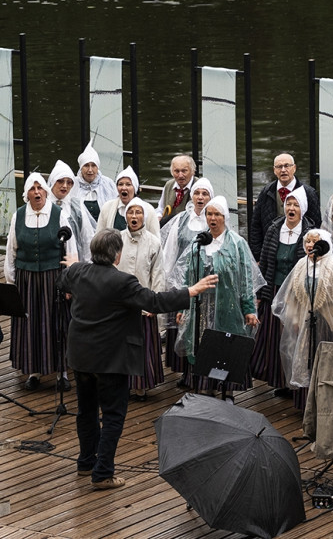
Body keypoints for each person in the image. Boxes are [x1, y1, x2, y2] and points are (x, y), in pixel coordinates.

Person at [59, 228, 218, 490]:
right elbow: (154, 301)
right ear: (117, 255)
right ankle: (103, 473)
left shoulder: (77, 272)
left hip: (80, 355)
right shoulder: (123, 281)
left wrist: (75, 268)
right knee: (113, 415)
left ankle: (86, 461)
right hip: (110, 359)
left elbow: (62, 282)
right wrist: (190, 291)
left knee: (86, 411)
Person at [272, 229, 333, 411]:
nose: (310, 245)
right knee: (307, 361)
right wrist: (294, 319)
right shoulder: (302, 265)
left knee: (330, 363)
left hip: (330, 325)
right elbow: (292, 296)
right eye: (307, 241)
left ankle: (330, 406)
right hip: (307, 325)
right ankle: (308, 406)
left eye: (314, 241)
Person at [176, 195, 266, 393]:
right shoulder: (199, 241)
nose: (213, 218)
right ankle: (204, 388)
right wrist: (183, 305)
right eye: (209, 214)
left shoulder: (237, 244)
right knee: (203, 345)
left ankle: (226, 391)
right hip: (201, 307)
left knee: (226, 348)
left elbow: (246, 279)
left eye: (217, 214)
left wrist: (249, 309)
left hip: (228, 307)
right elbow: (188, 276)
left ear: (225, 217)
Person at [5, 172, 77, 391]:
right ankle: (33, 371)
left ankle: (61, 372)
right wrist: (12, 283)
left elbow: (70, 252)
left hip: (52, 278)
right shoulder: (18, 216)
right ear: (26, 193)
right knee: (31, 324)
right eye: (32, 189)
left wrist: (70, 283)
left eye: (40, 188)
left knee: (56, 323)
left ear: (45, 191)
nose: (36, 192)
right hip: (26, 279)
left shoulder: (59, 215)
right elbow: (11, 251)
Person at [252, 187, 314, 395]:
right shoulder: (273, 229)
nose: (291, 208)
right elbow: (265, 263)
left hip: (296, 294)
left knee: (293, 338)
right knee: (273, 337)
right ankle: (279, 380)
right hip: (274, 289)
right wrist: (260, 293)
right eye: (288, 204)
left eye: (296, 205)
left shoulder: (308, 234)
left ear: (302, 209)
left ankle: (293, 383)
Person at [161, 177, 214, 385]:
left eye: (205, 194)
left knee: (203, 325)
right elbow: (170, 251)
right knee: (183, 324)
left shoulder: (214, 219)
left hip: (205, 282)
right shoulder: (182, 219)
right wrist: (169, 279)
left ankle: (202, 372)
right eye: (197, 193)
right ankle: (186, 372)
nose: (200, 197)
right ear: (192, 196)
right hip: (183, 281)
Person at [117, 198, 166, 397]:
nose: (134, 216)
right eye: (131, 212)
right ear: (126, 215)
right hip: (120, 304)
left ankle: (140, 385)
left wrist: (154, 304)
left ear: (144, 216)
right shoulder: (117, 238)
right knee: (120, 346)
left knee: (142, 345)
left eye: (138, 212)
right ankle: (122, 384)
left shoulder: (153, 242)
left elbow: (158, 275)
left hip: (144, 304)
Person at [248, 152, 321, 260]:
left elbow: (316, 225)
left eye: (287, 166)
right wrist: (258, 257)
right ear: (274, 170)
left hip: (300, 254)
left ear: (294, 168)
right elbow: (256, 225)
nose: (283, 170)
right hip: (271, 253)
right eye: (279, 167)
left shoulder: (308, 193)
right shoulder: (266, 192)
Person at [48, 159, 94, 262]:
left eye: (69, 182)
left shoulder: (76, 206)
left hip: (72, 261)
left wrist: (88, 265)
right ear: (53, 181)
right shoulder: (44, 203)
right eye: (60, 181)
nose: (65, 186)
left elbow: (87, 237)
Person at [97, 165, 160, 237]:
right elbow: (99, 237)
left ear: (135, 188)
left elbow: (156, 241)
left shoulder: (149, 210)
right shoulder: (107, 208)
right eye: (120, 184)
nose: (124, 188)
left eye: (128, 184)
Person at [71, 141, 119, 226]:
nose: (90, 170)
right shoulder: (72, 184)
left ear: (98, 167)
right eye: (86, 166)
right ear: (81, 168)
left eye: (93, 166)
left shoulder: (108, 184)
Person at [155, 154, 198, 225]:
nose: (180, 175)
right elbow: (160, 209)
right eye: (176, 171)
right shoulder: (169, 185)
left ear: (192, 171)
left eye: (184, 171)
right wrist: (158, 217)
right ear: (172, 172)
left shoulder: (199, 186)